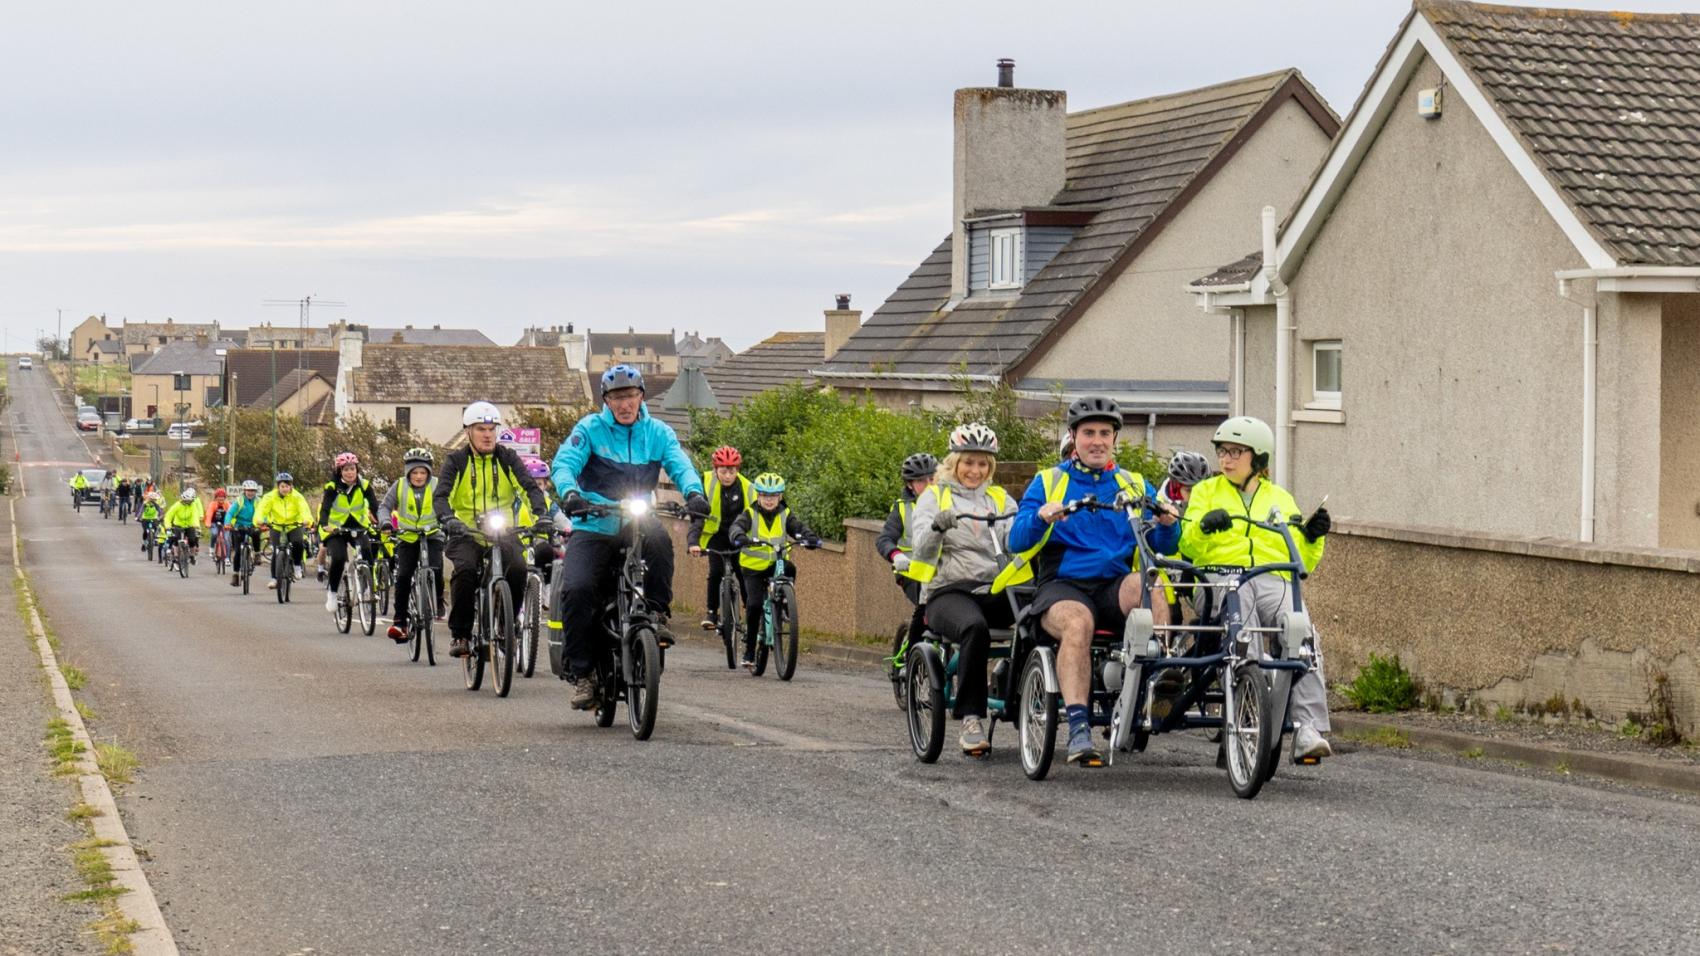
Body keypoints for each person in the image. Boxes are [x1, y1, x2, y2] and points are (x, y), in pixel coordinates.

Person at [999, 396, 1179, 768]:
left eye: (1104, 433)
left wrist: (1167, 524)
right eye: (1088, 433)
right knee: (1079, 622)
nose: (1097, 441)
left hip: (1112, 586)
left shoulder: (1132, 483)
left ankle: (1161, 674)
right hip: (1062, 586)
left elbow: (1162, 546)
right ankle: (1079, 727)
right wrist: (1042, 518)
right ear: (1073, 437)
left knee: (1152, 581)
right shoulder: (1049, 481)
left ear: (1115, 438)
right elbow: (1016, 540)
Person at [550, 364, 707, 709]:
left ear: (641, 397)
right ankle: (583, 674)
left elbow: (680, 464)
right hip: (594, 523)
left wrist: (694, 493)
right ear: (606, 400)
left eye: (631, 396)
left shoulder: (658, 432)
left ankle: (655, 614)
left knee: (662, 544)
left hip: (637, 519)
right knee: (576, 589)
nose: (625, 404)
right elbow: (564, 463)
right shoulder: (589, 429)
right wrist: (571, 493)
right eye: (617, 397)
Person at [1180, 416, 1333, 761]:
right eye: (1222, 451)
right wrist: (1205, 527)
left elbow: (1302, 562)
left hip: (1270, 576)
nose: (1226, 459)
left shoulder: (1279, 498)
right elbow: (1188, 546)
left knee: (1302, 631)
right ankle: (1250, 704)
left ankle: (1308, 728)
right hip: (1219, 577)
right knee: (1244, 625)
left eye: (1236, 452)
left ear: (1259, 459)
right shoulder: (1206, 492)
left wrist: (1312, 536)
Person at [907, 425, 1014, 756]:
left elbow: (1017, 542)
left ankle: (1015, 682)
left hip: (992, 587)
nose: (975, 471)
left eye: (982, 464)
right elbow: (921, 549)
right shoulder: (934, 496)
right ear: (954, 463)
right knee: (973, 627)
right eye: (968, 463)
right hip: (947, 591)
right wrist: (938, 526)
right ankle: (971, 719)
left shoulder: (1001, 499)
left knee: (1037, 615)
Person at [433, 402, 549, 660]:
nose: (487, 435)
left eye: (491, 429)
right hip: (467, 532)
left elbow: (529, 488)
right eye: (480, 429)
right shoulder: (456, 461)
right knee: (464, 572)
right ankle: (461, 634)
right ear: (468, 432)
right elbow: (441, 496)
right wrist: (449, 519)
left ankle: (506, 625)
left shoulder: (508, 458)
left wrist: (542, 515)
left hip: (504, 532)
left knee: (518, 568)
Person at [725, 473, 820, 670]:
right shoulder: (750, 514)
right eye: (765, 496)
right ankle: (750, 650)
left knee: (791, 568)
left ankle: (785, 603)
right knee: (753, 605)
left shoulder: (785, 513)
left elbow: (798, 528)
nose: (769, 500)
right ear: (758, 496)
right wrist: (739, 536)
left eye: (774, 496)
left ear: (780, 497)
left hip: (776, 564)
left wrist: (810, 538)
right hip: (752, 568)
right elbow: (736, 527)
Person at [378, 448, 445, 643]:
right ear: (408, 473)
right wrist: (386, 523)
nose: (418, 476)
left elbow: (450, 506)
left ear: (429, 473)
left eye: (422, 472)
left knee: (436, 568)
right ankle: (400, 621)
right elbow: (384, 507)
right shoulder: (399, 485)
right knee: (404, 576)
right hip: (407, 537)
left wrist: (450, 522)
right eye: (414, 472)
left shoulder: (438, 485)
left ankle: (438, 602)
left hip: (432, 535)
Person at [877, 452, 937, 665]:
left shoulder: (946, 502)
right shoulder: (902, 508)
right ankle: (911, 659)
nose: (928, 484)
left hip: (939, 571)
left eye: (932, 478)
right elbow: (884, 539)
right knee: (925, 606)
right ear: (910, 485)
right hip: (911, 571)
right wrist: (896, 555)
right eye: (921, 480)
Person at [687, 445, 751, 631]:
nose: (727, 476)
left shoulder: (747, 487)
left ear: (737, 470)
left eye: (731, 471)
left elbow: (756, 517)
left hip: (739, 536)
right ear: (715, 470)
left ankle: (750, 611)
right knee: (715, 572)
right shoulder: (706, 482)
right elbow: (698, 517)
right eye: (723, 471)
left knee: (743, 572)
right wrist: (693, 542)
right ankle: (711, 612)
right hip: (716, 536)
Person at [318, 452, 378, 613]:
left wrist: (380, 521)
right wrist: (324, 524)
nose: (350, 473)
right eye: (345, 470)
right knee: (338, 558)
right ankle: (332, 592)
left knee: (367, 551)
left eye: (352, 469)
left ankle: (368, 587)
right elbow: (325, 508)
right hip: (336, 529)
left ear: (357, 469)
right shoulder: (332, 487)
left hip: (358, 526)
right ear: (339, 471)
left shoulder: (364, 485)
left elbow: (374, 505)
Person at [255, 472, 314, 589]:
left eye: (287, 486)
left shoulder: (297, 497)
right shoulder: (269, 497)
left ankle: (297, 566)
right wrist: (259, 520)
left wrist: (306, 520)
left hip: (294, 525)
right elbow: (261, 510)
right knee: (276, 551)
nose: (285, 489)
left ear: (291, 486)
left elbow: (304, 510)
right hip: (276, 525)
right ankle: (274, 578)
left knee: (298, 542)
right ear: (278, 487)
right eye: (282, 486)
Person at [224, 480, 263, 586]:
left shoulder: (259, 501)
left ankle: (257, 554)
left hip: (253, 524)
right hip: (239, 526)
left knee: (256, 534)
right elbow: (230, 513)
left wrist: (264, 523)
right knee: (237, 552)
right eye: (249, 491)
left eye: (253, 491)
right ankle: (236, 575)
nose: (251, 493)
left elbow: (263, 513)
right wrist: (227, 523)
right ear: (244, 491)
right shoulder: (239, 501)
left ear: (256, 492)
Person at [158, 488, 204, 560]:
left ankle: (192, 555)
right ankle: (176, 555)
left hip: (189, 525)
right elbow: (168, 516)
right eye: (187, 501)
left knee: (192, 539)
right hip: (178, 525)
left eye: (190, 501)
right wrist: (168, 527)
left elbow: (195, 516)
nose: (189, 503)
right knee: (176, 538)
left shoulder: (193, 506)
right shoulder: (177, 505)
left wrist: (197, 526)